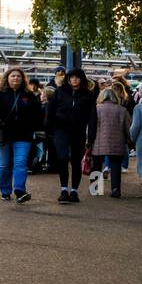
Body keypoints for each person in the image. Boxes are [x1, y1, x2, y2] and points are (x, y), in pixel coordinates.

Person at [0, 67, 42, 204]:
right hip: (4, 134)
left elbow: (38, 113)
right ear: (7, 78)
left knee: (20, 163)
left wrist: (34, 127)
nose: (16, 78)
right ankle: (5, 191)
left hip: (23, 135)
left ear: (22, 79)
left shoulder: (29, 95)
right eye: (13, 76)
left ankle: (19, 190)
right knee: (5, 164)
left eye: (18, 76)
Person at [47, 67, 96, 204]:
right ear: (68, 79)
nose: (74, 80)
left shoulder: (88, 95)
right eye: (72, 77)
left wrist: (91, 136)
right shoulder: (60, 92)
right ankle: (63, 189)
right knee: (62, 157)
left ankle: (74, 191)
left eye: (77, 77)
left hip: (78, 130)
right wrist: (48, 129)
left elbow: (93, 117)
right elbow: (50, 110)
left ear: (82, 79)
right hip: (60, 129)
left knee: (76, 161)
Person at [89, 87, 131, 198]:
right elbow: (128, 128)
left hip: (98, 142)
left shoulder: (96, 109)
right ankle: (115, 189)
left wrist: (89, 140)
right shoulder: (122, 110)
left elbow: (91, 127)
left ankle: (96, 189)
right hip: (117, 142)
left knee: (96, 165)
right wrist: (129, 140)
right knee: (116, 165)